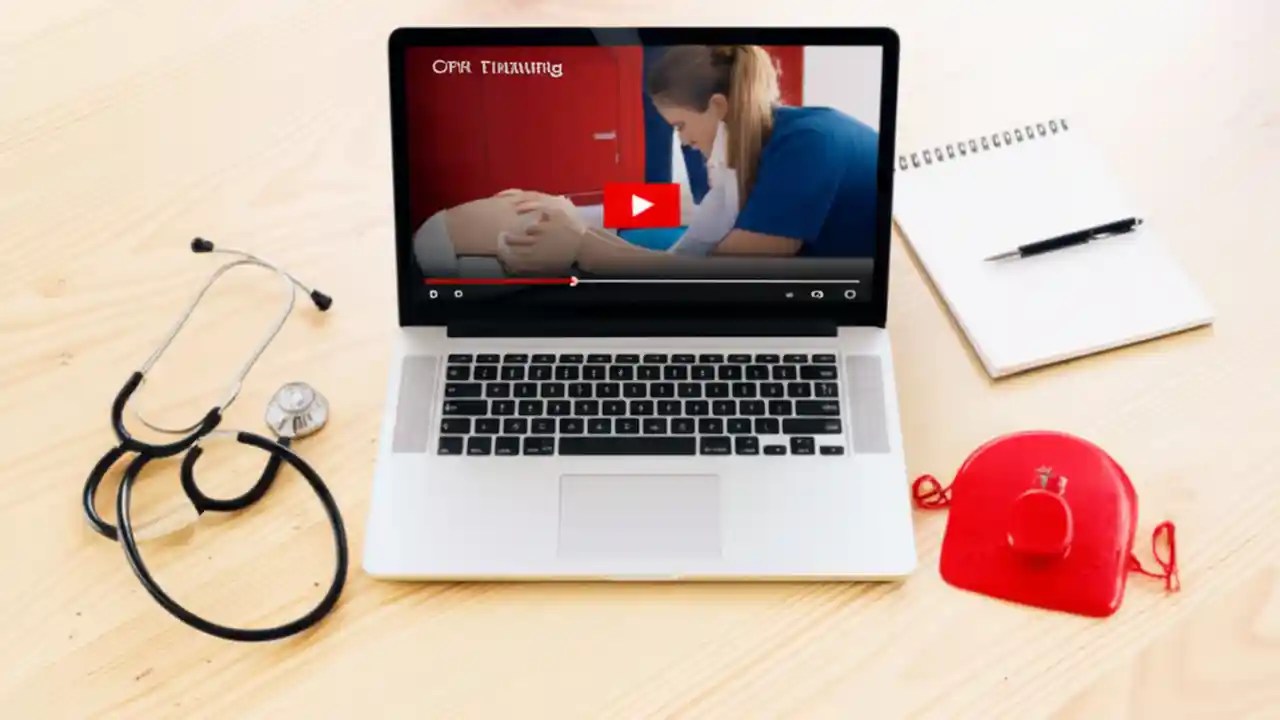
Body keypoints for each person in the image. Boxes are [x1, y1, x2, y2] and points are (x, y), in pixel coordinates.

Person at [499, 44, 881, 276]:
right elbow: (689, 207)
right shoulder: (762, 136)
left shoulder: (806, 145)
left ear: (717, 106)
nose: (683, 140)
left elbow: (723, 273)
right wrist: (578, 211)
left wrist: (587, 248)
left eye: (681, 125)